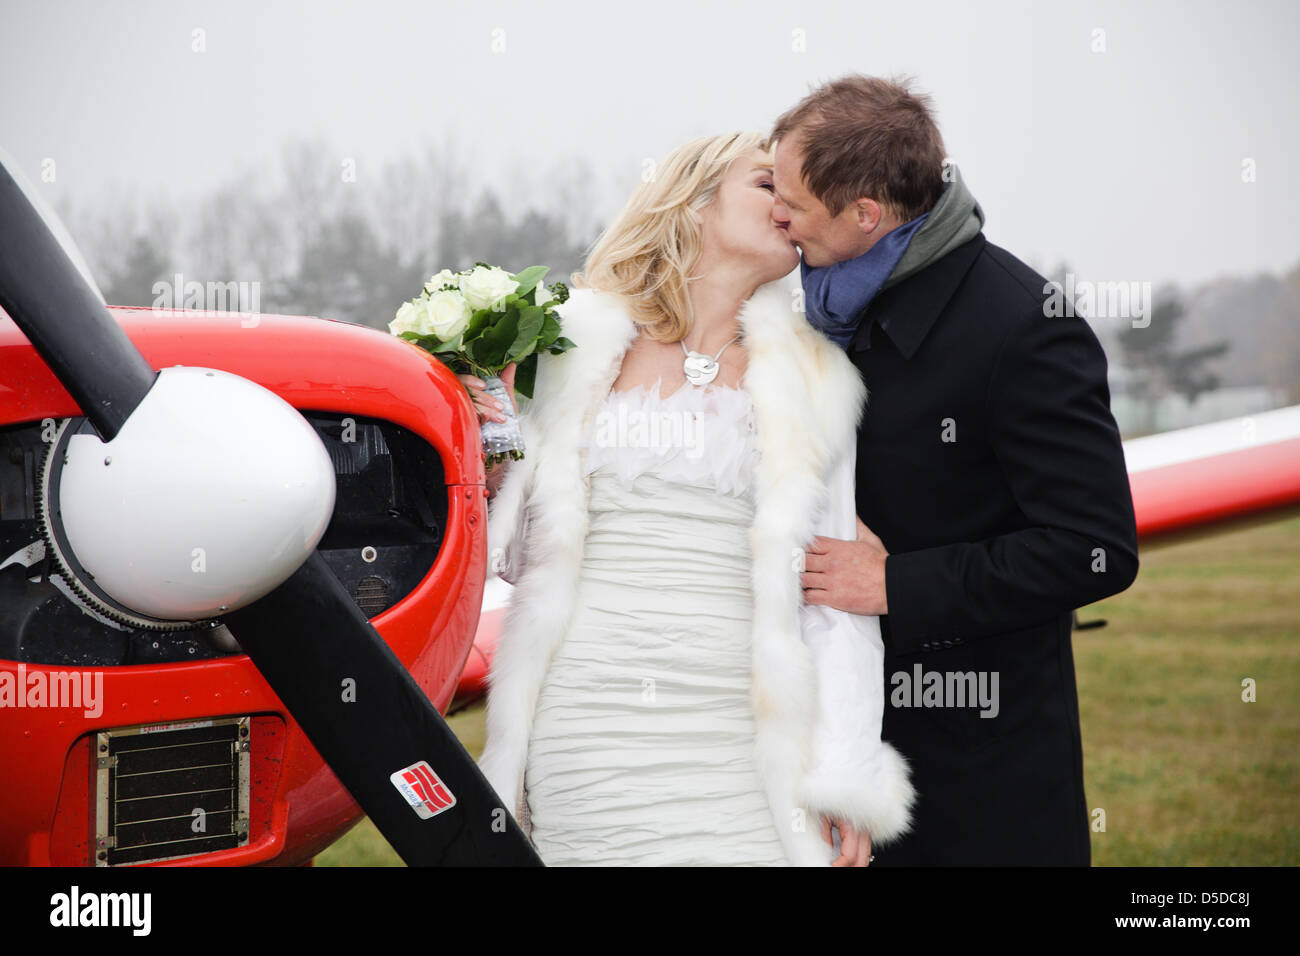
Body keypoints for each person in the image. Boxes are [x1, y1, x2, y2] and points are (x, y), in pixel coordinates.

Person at [465, 132, 915, 866]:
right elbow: (514, 556)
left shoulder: (817, 378)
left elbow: (833, 598)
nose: (793, 207)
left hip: (744, 724)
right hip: (590, 714)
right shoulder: (567, 342)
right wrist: (494, 447)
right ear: (695, 200)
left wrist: (845, 771)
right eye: (769, 184)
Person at [769, 75, 1140, 865]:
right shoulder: (807, 311)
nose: (779, 217)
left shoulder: (1024, 327)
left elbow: (1094, 547)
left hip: (975, 775)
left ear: (865, 216)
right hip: (828, 741)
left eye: (794, 203)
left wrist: (897, 585)